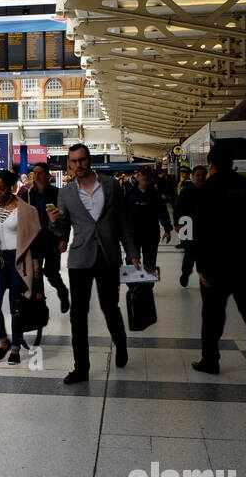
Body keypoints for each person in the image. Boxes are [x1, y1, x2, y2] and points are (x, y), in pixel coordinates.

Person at [191, 140, 246, 389]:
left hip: (216, 267)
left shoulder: (207, 191)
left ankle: (210, 360)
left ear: (211, 164)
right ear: (232, 163)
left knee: (212, 317)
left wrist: (201, 268)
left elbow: (200, 234)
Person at [49, 143, 140, 384]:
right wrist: (54, 222)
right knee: (78, 314)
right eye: (73, 162)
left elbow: (122, 221)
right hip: (81, 257)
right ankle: (81, 367)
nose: (78, 165)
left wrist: (133, 252)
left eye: (82, 160)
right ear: (69, 164)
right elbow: (62, 227)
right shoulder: (66, 192)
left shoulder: (111, 185)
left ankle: (121, 344)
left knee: (110, 307)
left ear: (90, 160)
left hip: (108, 255)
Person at [0, 168, 42, 363]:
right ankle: (3, 340)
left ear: (12, 187)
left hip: (19, 261)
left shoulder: (28, 211)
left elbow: (36, 243)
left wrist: (36, 273)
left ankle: (15, 347)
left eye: (3, 188)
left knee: (17, 307)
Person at [20, 162, 70, 313]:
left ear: (48, 176)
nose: (36, 176)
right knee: (35, 274)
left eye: (40, 173)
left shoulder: (58, 194)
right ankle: (40, 304)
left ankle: (62, 291)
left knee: (50, 270)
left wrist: (64, 239)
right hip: (33, 241)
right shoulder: (27, 195)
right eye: (34, 173)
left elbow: (65, 219)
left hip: (52, 239)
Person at [124, 166, 172, 271]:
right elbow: (122, 214)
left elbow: (163, 213)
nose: (145, 176)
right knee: (131, 259)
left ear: (151, 178)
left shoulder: (156, 195)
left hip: (151, 234)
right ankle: (132, 285)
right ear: (137, 177)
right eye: (143, 174)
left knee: (150, 261)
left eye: (148, 174)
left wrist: (167, 230)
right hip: (133, 234)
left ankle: (148, 286)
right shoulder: (129, 194)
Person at [174, 165, 207, 286]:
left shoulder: (209, 191)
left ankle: (202, 275)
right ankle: (186, 273)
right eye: (198, 175)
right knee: (189, 254)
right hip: (187, 226)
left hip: (204, 229)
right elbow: (177, 208)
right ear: (193, 176)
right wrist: (177, 224)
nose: (200, 177)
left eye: (203, 175)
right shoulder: (186, 191)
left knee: (203, 254)